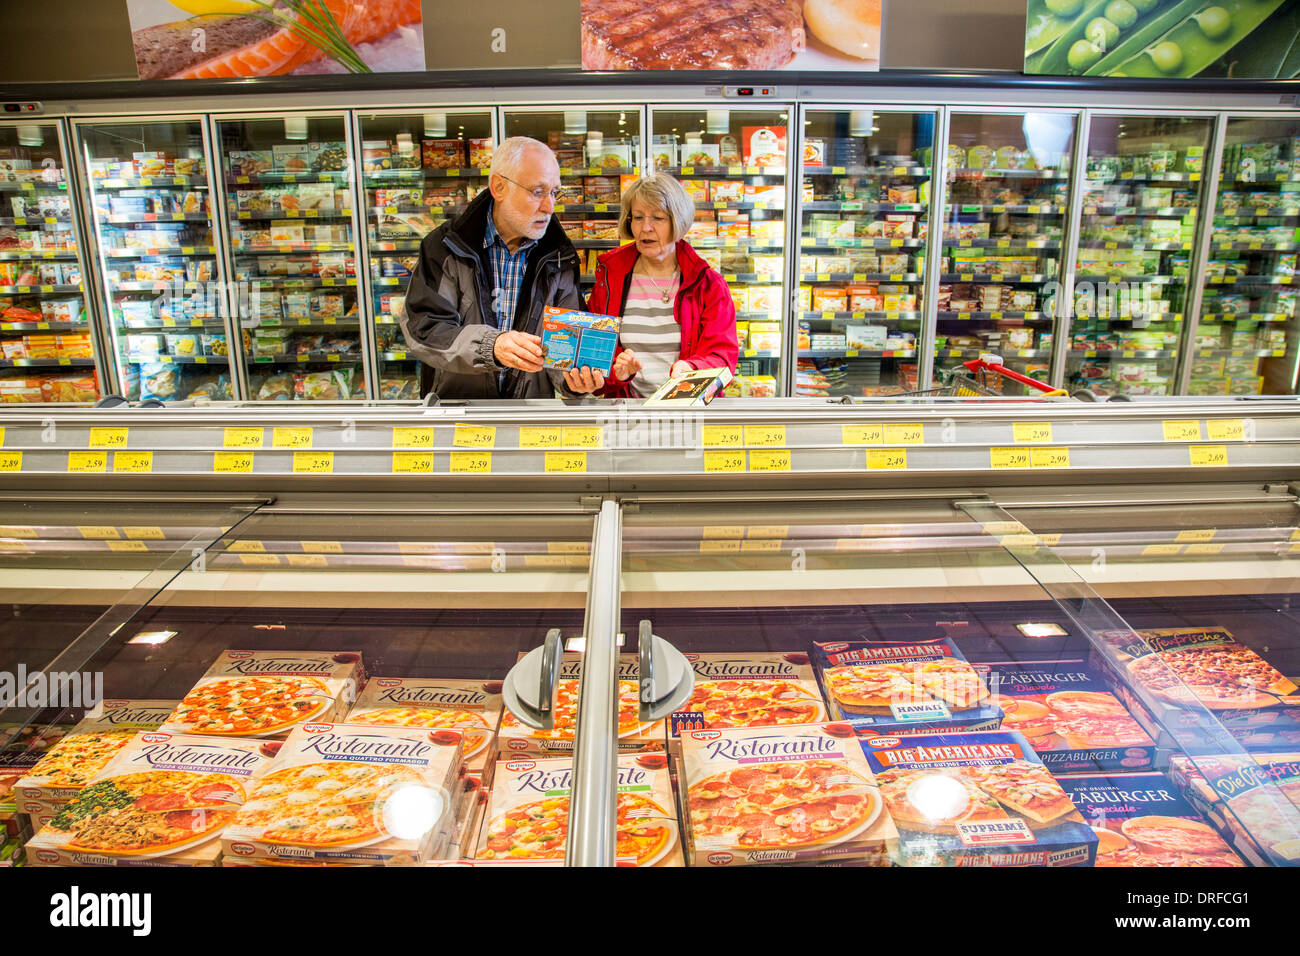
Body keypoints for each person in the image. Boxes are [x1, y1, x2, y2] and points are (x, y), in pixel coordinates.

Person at [399, 136, 605, 399]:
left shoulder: (559, 256)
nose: (549, 207)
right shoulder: (444, 247)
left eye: (554, 192)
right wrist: (490, 346)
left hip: (527, 418)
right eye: (537, 192)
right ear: (498, 187)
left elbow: (563, 348)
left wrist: (573, 381)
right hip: (459, 411)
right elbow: (425, 329)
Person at [587, 173, 738, 398]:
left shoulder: (708, 284)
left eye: (658, 218)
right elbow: (596, 355)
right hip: (626, 418)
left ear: (678, 221)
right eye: (638, 217)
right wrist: (617, 373)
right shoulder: (610, 278)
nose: (645, 227)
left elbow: (723, 356)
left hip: (688, 415)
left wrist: (692, 369)